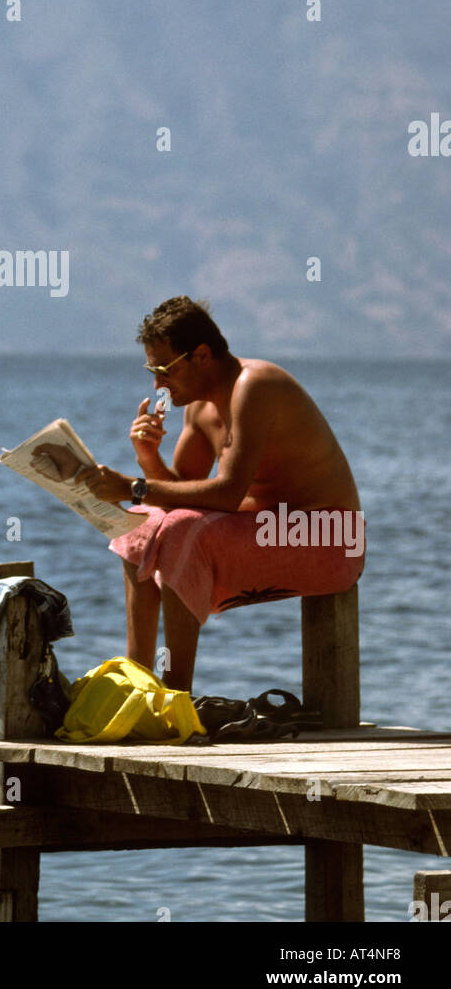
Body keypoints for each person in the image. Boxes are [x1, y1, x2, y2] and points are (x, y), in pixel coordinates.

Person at [75, 296, 364, 693]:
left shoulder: (256, 385)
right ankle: (136, 682)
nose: (157, 384)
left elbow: (226, 494)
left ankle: (176, 696)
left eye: (164, 370)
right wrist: (147, 459)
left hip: (329, 539)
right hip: (266, 529)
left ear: (202, 356)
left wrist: (131, 487)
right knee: (139, 523)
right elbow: (176, 491)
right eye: (151, 370)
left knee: (178, 530)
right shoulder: (198, 407)